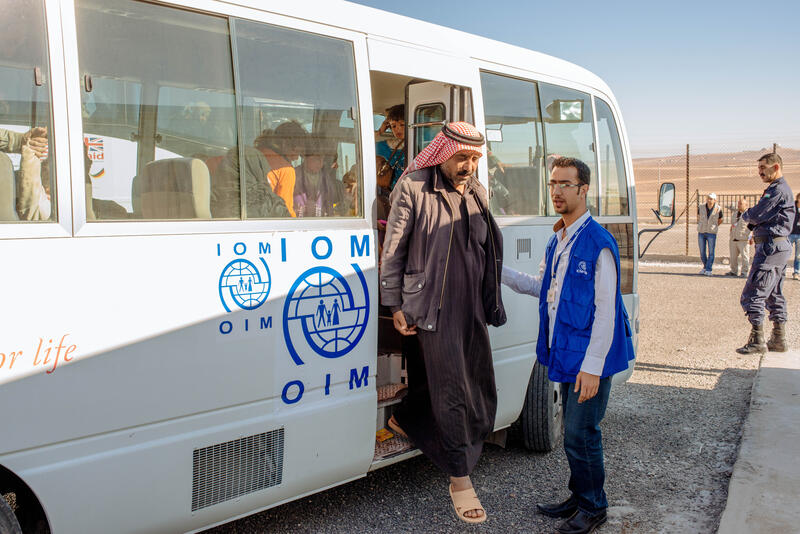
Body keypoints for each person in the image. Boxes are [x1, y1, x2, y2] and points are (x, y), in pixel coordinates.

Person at [380, 122, 505, 524]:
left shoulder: (477, 191)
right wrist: (394, 304)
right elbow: (393, 251)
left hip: (472, 306)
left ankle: (406, 419)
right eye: (461, 157)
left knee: (478, 383)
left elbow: (485, 249)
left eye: (474, 158)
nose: (468, 165)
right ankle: (459, 477)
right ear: (443, 153)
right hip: (432, 307)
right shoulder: (414, 187)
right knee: (453, 389)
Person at [502, 157, 634, 534]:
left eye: (565, 184)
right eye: (553, 184)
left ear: (583, 189)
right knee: (575, 435)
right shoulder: (557, 240)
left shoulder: (598, 243)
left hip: (589, 360)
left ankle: (594, 507)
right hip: (566, 352)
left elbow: (607, 311)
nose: (557, 191)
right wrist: (496, 270)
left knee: (581, 433)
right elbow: (541, 287)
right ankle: (579, 497)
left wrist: (592, 367)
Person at [736, 153, 795, 354]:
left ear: (776, 167)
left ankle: (757, 340)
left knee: (753, 292)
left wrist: (747, 215)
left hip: (771, 248)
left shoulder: (777, 190)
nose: (759, 172)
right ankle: (778, 338)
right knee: (773, 293)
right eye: (759, 168)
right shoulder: (778, 189)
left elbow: (757, 213)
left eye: (763, 167)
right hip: (776, 245)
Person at [254, 121, 306, 217]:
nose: (296, 158)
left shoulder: (256, 154)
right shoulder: (286, 169)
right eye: (296, 151)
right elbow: (285, 211)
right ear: (285, 144)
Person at [293, 138, 347, 218]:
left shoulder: (326, 178)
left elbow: (329, 206)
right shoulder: (294, 175)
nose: (321, 163)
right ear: (305, 158)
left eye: (322, 159)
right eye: (317, 159)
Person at [374, 104, 407, 191]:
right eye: (393, 126)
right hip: (391, 192)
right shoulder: (384, 146)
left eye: (402, 124)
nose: (397, 129)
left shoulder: (418, 141)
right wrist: (380, 131)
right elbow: (364, 145)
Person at [697, 192, 723, 275]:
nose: (709, 200)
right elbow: (698, 217)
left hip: (711, 232)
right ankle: (705, 267)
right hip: (702, 231)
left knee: (711, 252)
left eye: (711, 199)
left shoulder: (718, 209)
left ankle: (709, 269)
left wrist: (714, 226)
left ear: (715, 200)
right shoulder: (701, 207)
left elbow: (720, 219)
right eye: (708, 198)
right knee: (702, 252)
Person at [726, 198, 753, 277]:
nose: (738, 205)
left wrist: (751, 237)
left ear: (746, 205)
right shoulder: (735, 214)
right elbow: (732, 225)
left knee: (745, 257)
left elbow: (753, 227)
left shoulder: (749, 215)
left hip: (743, 239)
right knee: (733, 257)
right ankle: (733, 271)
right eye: (738, 203)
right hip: (733, 239)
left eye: (741, 204)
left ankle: (744, 272)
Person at [790, 192, 800, 281]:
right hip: (790, 233)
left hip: (799, 235)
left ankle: (796, 272)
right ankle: (780, 272)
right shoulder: (792, 206)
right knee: (785, 253)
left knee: (798, 255)